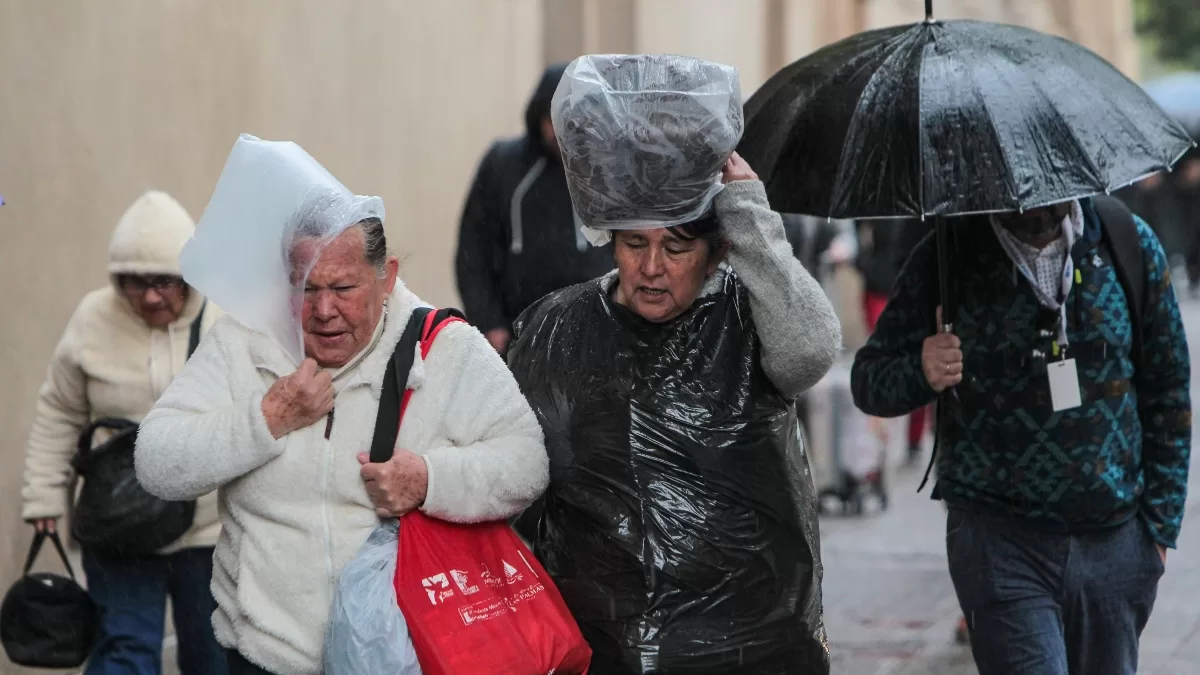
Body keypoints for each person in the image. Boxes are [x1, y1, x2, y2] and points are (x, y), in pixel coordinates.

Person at [134, 167, 549, 674]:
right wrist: (268, 419)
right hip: (264, 656)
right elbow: (155, 462)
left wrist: (429, 480)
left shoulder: (443, 347)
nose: (324, 309)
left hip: (401, 656)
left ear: (386, 276)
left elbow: (527, 462)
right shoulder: (244, 341)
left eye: (343, 287)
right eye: (305, 288)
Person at [508, 54, 840, 674]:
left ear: (716, 253)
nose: (651, 267)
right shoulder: (557, 328)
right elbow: (515, 465)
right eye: (634, 243)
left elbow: (811, 352)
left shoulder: (750, 316)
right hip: (607, 644)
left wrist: (750, 215)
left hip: (749, 641)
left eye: (677, 247)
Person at [852, 197, 1191, 675]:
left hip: (1114, 544)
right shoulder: (948, 254)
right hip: (998, 542)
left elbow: (1169, 387)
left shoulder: (1127, 242)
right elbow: (868, 381)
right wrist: (920, 370)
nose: (1034, 206)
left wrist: (1158, 528)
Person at [20, 191, 227, 675]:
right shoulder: (93, 318)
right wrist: (43, 496)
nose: (151, 296)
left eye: (164, 281)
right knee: (125, 653)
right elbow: (59, 412)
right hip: (119, 528)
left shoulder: (224, 317)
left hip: (209, 530)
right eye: (135, 282)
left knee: (212, 657)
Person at [455, 62, 615, 354]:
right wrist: (489, 323)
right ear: (539, 117)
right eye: (554, 118)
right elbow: (473, 252)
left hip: (598, 336)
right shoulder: (503, 166)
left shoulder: (608, 168)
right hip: (519, 337)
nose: (562, 130)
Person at [855, 217, 932, 462]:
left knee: (921, 362)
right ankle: (879, 443)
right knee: (882, 362)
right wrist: (864, 263)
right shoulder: (876, 202)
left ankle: (914, 440)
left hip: (916, 292)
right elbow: (855, 231)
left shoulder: (922, 209)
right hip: (879, 287)